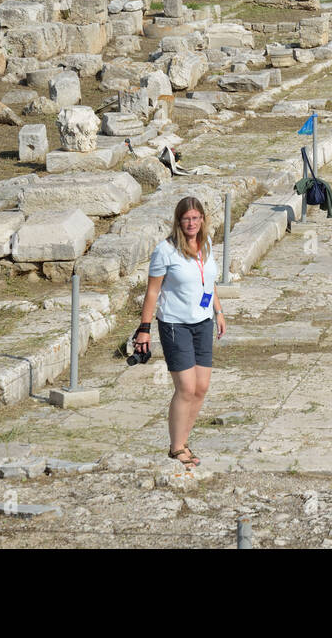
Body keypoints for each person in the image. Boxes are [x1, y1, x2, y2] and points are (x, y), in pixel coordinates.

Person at [133, 196, 226, 468]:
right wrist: (144, 329)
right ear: (178, 221)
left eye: (196, 218)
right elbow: (152, 291)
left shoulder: (206, 243)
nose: (191, 223)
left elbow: (209, 282)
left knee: (202, 387)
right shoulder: (165, 250)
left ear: (202, 220)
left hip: (203, 322)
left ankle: (183, 441)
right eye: (186, 218)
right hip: (175, 324)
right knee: (186, 387)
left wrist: (218, 312)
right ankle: (176, 448)